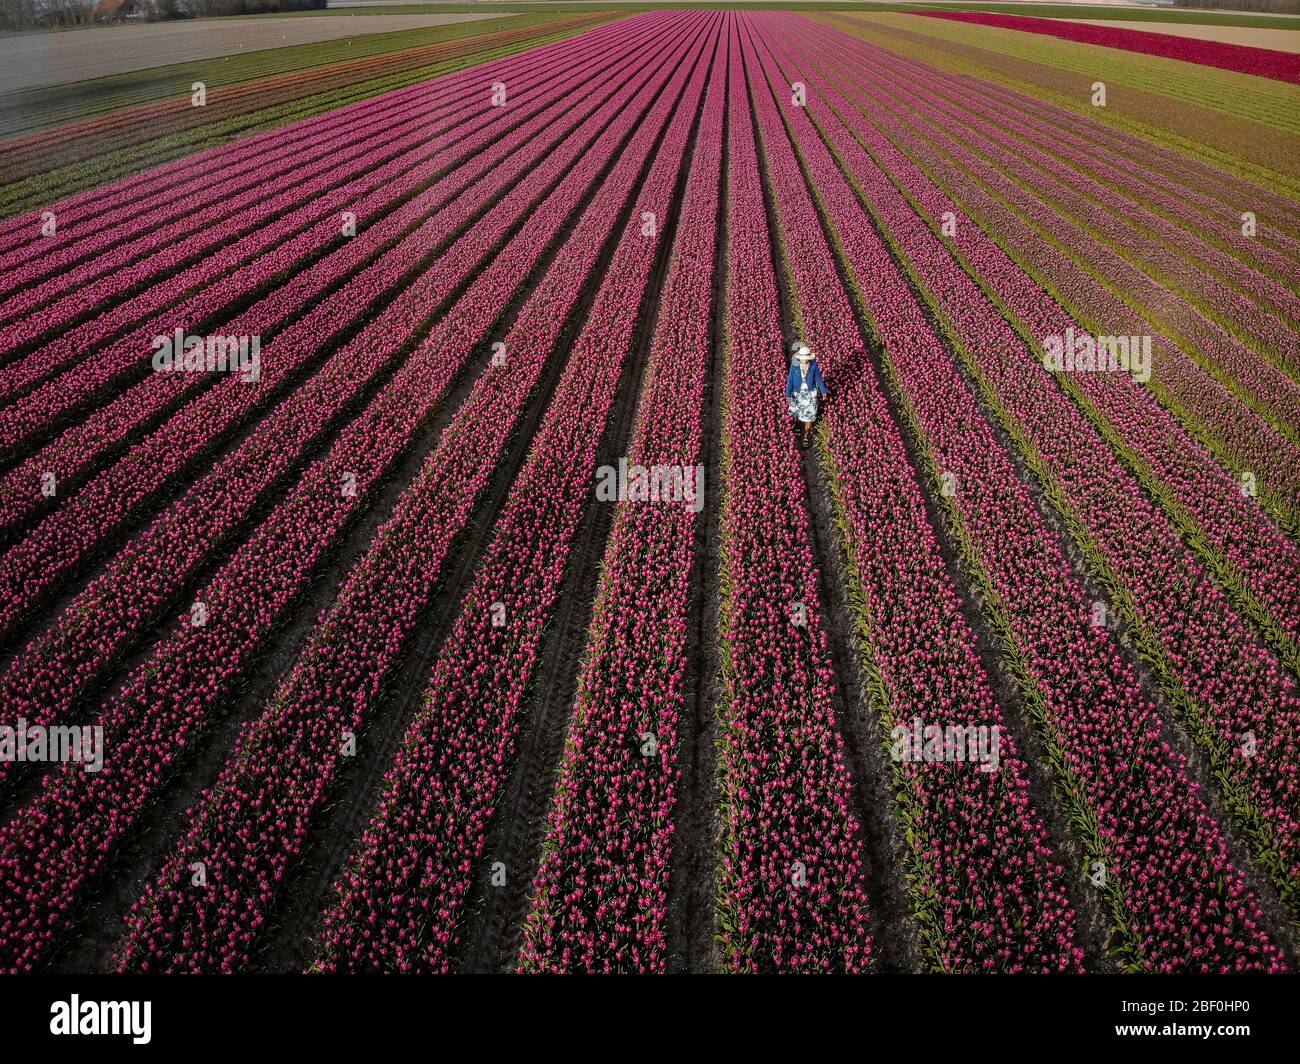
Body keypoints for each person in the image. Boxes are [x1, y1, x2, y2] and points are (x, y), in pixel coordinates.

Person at [786, 343, 827, 448]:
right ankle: (798, 429)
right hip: (798, 392)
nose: (806, 360)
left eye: (807, 358)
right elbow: (790, 380)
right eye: (804, 358)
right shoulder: (794, 365)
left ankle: (806, 435)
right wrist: (788, 394)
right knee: (797, 412)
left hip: (810, 393)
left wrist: (823, 391)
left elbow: (818, 378)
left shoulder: (813, 365)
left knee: (809, 415)